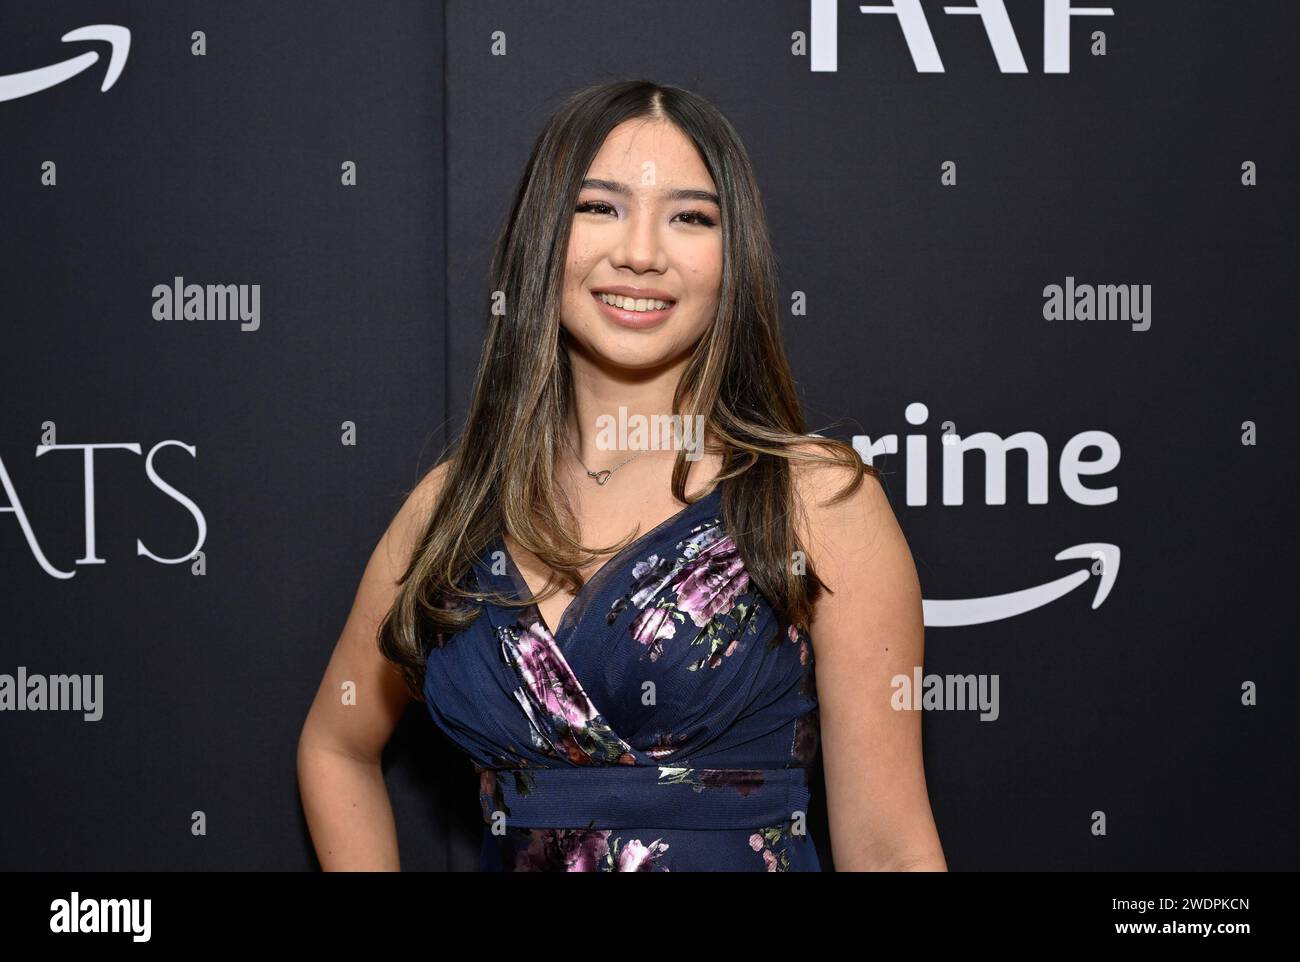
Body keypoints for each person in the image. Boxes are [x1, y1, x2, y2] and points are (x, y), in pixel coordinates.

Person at [298, 79, 945, 872]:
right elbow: (336, 744)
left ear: (732, 257)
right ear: (543, 236)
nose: (640, 252)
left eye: (691, 217)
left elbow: (888, 849)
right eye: (599, 207)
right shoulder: (453, 507)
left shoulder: (814, 501)